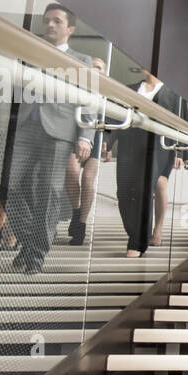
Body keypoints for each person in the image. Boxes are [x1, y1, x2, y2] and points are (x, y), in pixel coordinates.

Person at [0, 3, 95, 272]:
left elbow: (88, 100)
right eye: (47, 21)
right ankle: (31, 241)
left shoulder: (82, 61)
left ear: (70, 29)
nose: (50, 25)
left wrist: (85, 136)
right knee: (7, 184)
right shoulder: (29, 53)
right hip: (26, 128)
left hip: (60, 131)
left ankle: (36, 255)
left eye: (57, 21)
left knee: (48, 192)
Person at [107, 67, 188, 257]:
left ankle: (137, 242)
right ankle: (135, 233)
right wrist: (108, 142)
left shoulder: (174, 93)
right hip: (129, 144)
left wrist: (182, 153)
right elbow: (117, 116)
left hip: (159, 146)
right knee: (124, 192)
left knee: (144, 188)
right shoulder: (130, 88)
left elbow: (182, 123)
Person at [63, 56, 107, 246]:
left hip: (98, 135)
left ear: (105, 72)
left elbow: (115, 118)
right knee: (71, 172)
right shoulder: (78, 84)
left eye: (99, 67)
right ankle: (76, 210)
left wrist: (107, 143)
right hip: (77, 132)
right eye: (92, 67)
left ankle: (81, 223)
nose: (95, 70)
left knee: (88, 179)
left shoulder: (109, 93)